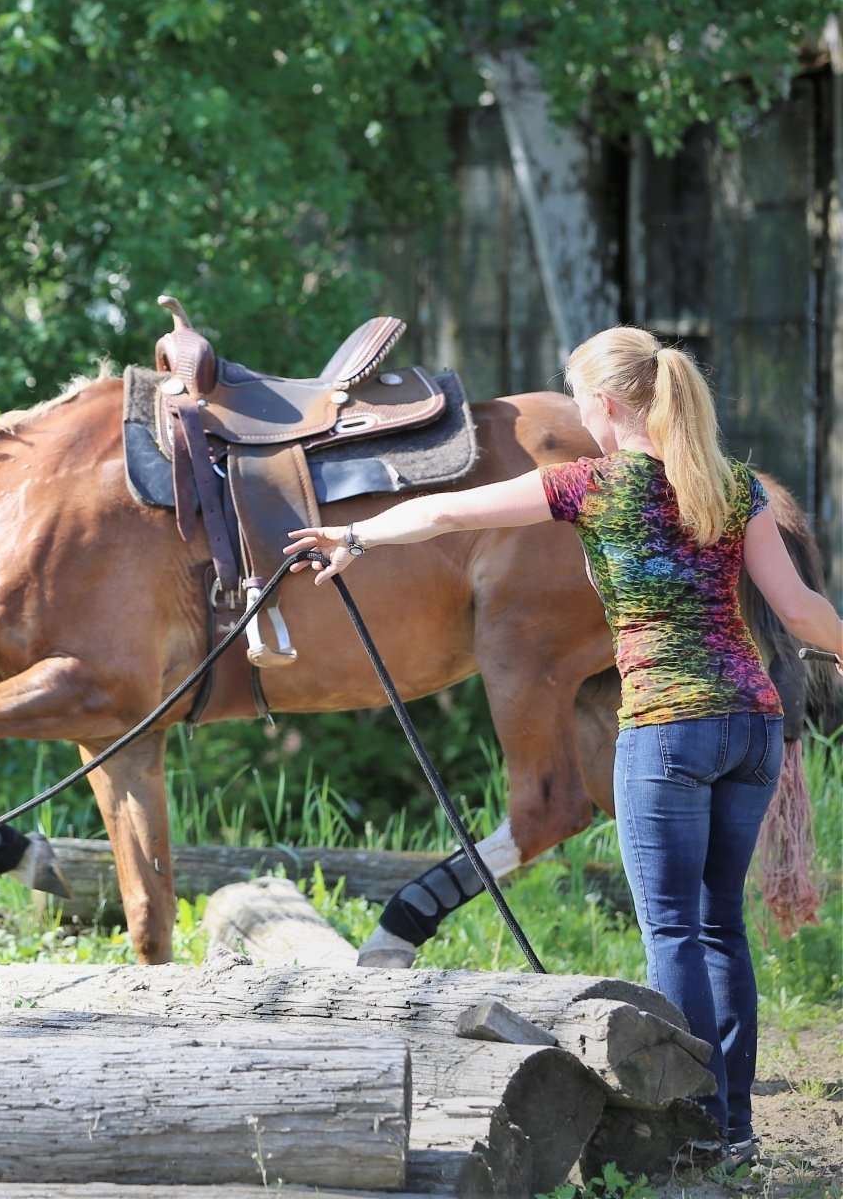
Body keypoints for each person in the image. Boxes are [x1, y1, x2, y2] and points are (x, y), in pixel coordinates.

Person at [284, 325, 843, 1167]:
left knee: (675, 931)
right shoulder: (733, 489)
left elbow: (446, 511)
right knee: (721, 927)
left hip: (668, 730)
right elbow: (799, 613)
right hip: (753, 725)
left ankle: (688, 1131)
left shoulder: (591, 485)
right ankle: (733, 1130)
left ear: (607, 405)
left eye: (581, 399)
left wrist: (354, 538)